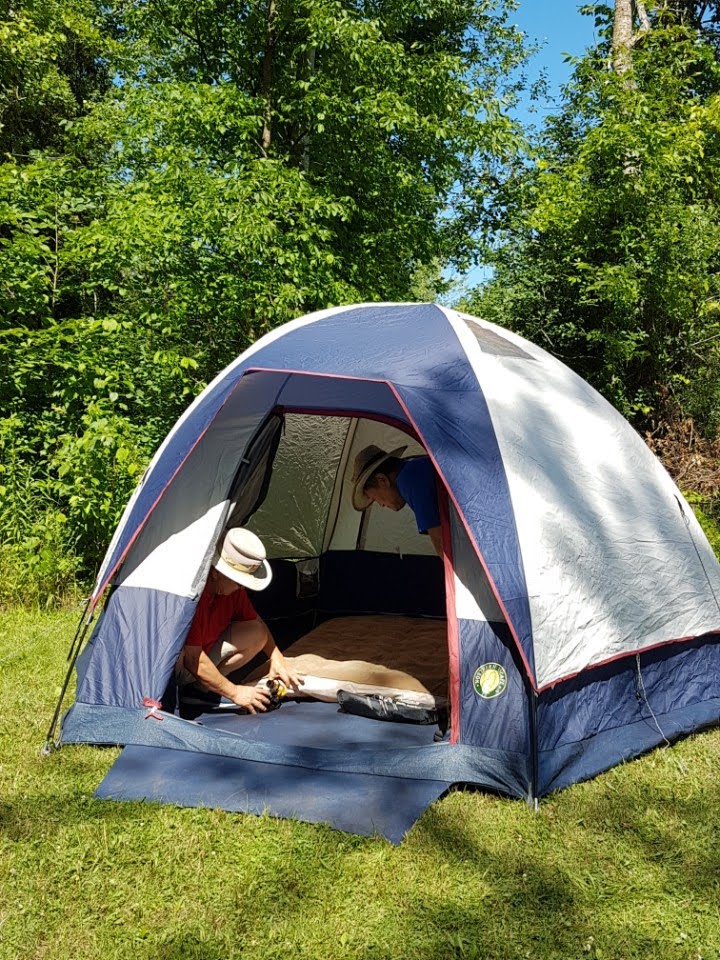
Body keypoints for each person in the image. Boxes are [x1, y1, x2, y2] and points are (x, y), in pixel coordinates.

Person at [175, 527, 302, 713]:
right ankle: (177, 696)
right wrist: (235, 692)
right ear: (216, 572)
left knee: (257, 633)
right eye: (238, 581)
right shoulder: (192, 596)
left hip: (202, 656)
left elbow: (258, 625)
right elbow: (193, 659)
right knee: (180, 653)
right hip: (180, 665)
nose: (242, 588)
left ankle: (199, 691)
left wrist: (277, 658)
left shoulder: (233, 592)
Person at [351, 444, 443, 556]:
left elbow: (445, 549)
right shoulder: (415, 468)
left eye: (375, 499)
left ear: (382, 480)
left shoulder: (409, 480)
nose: (381, 505)